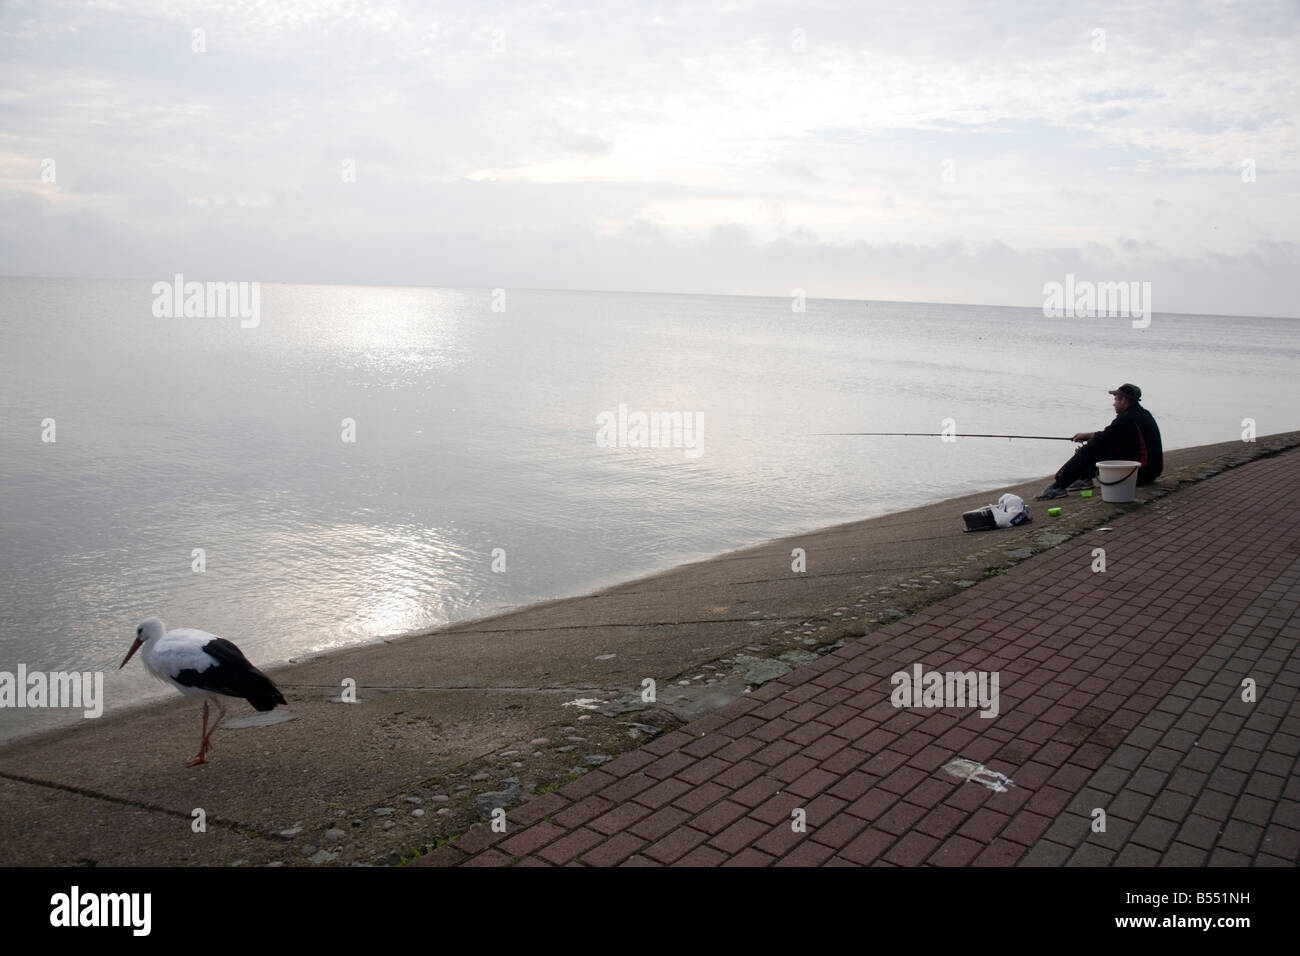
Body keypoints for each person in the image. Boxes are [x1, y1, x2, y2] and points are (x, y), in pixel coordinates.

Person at [1036, 384, 1162, 500]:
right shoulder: (1142, 414)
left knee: (1089, 449)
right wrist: (1088, 436)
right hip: (1152, 470)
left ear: (1124, 400)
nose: (1113, 404)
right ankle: (1084, 479)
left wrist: (1088, 440)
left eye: (1116, 399)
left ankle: (1058, 486)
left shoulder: (1127, 418)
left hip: (1142, 473)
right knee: (1098, 446)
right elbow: (1110, 436)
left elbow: (1102, 439)